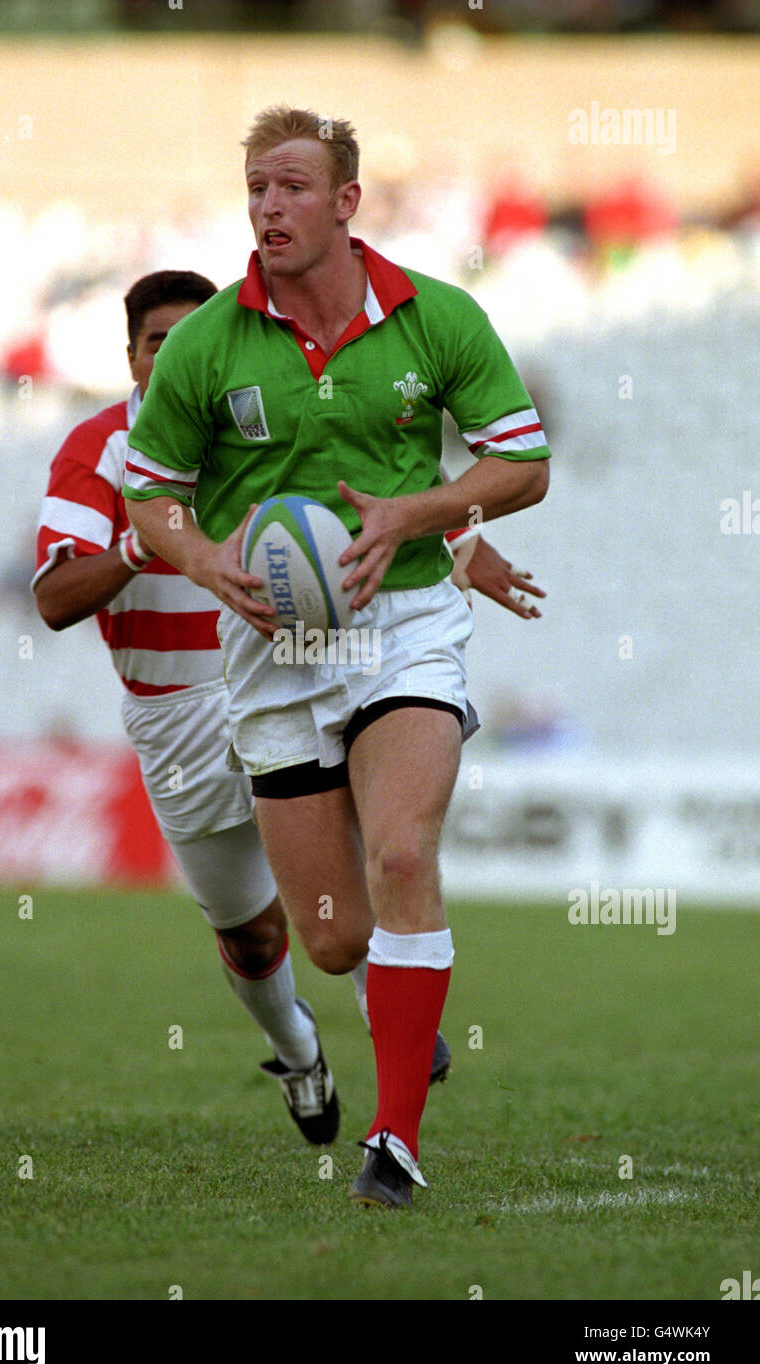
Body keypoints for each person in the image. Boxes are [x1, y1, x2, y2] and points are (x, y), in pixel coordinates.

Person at [123, 109, 550, 1208]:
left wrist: (424, 510)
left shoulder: (435, 317)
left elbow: (521, 460)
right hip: (275, 652)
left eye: (292, 188)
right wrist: (211, 560)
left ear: (346, 202)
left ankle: (394, 1140)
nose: (268, 207)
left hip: (401, 624)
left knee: (403, 858)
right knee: (331, 937)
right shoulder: (209, 340)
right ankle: (395, 994)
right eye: (256, 188)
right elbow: (150, 495)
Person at [31, 269, 541, 1152]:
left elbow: (342, 505)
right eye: (159, 342)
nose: (180, 355)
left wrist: (464, 545)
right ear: (132, 356)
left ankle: (389, 1018)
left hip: (294, 666)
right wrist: (146, 540)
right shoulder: (104, 450)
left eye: (194, 337)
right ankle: (297, 1049)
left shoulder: (252, 410)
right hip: (179, 714)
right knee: (255, 933)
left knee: (378, 861)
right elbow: (53, 597)